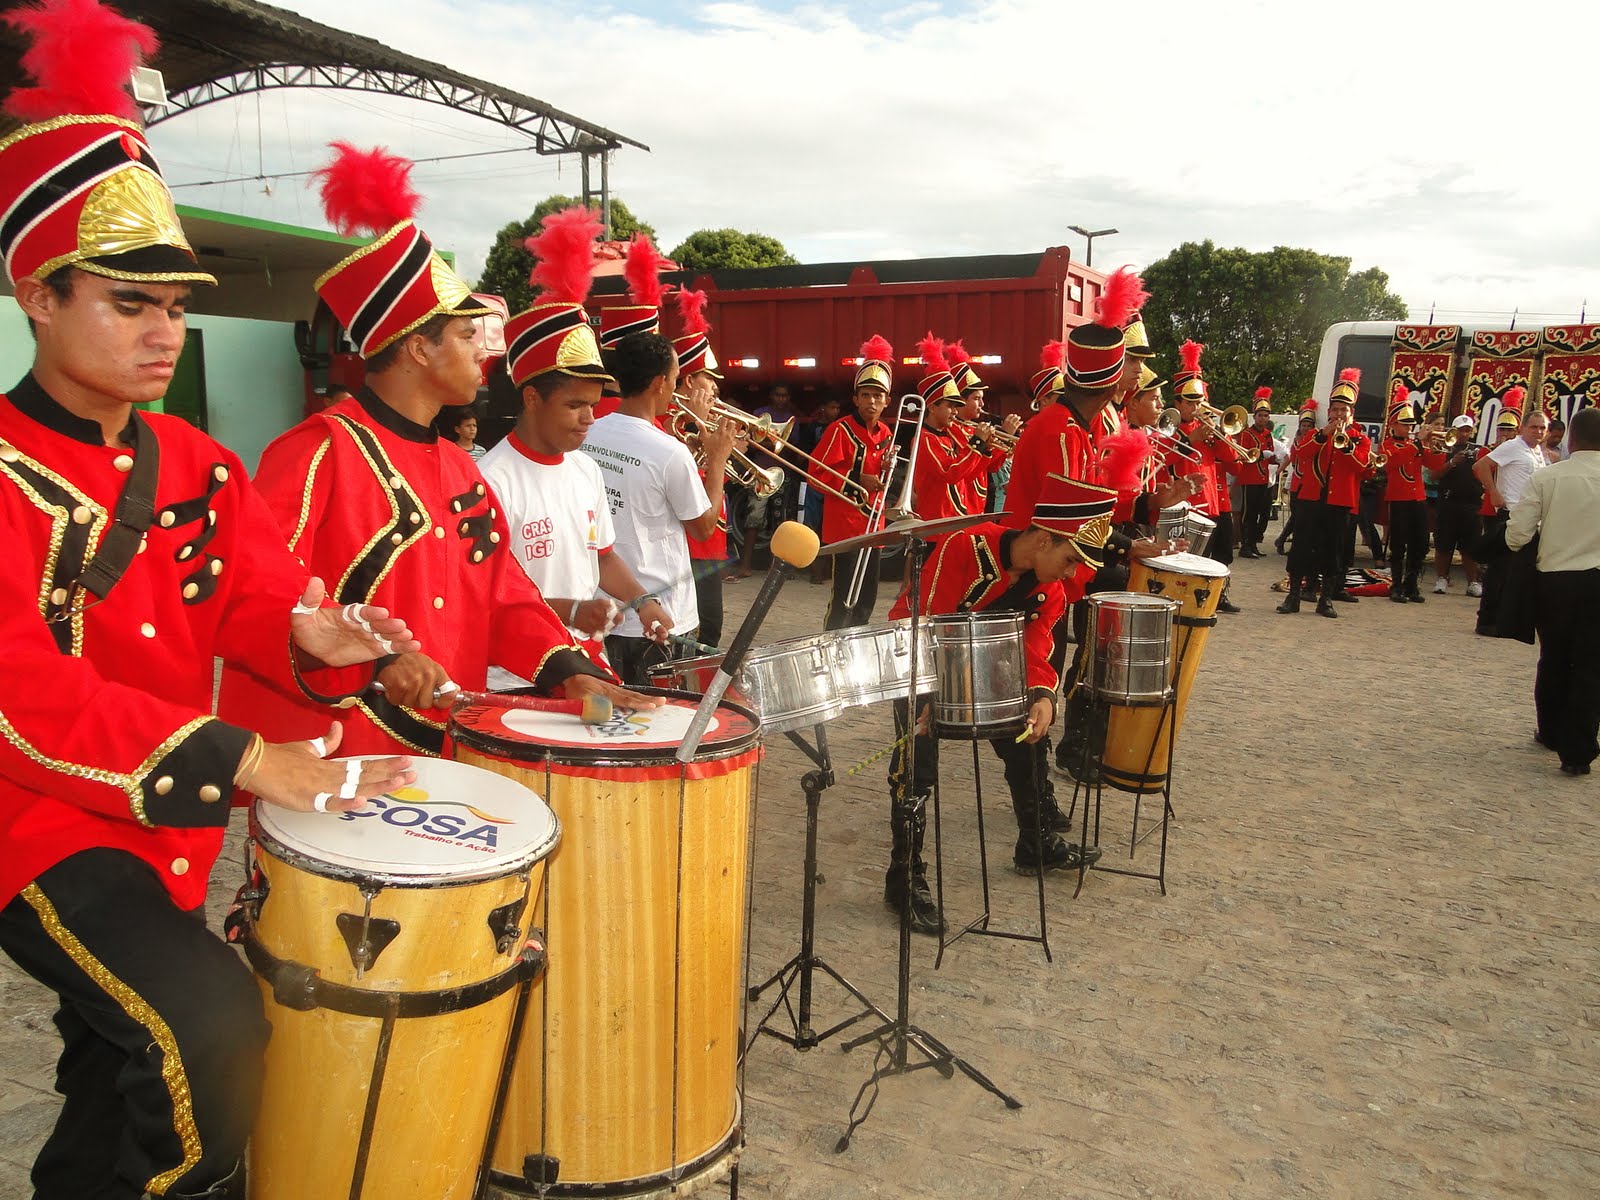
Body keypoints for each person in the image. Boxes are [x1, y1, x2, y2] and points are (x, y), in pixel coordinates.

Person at [0, 14, 417, 1194]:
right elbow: (20, 696)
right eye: (128, 302)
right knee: (210, 1031)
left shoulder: (199, 460)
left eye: (175, 306)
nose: (162, 330)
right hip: (35, 827)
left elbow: (249, 604)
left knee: (113, 1063)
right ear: (37, 292)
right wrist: (248, 761)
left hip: (167, 820)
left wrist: (313, 637)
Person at [219, 152, 645, 756]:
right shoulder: (319, 451)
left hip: (440, 752)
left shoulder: (457, 464)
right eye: (468, 335)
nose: (483, 352)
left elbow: (503, 595)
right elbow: (257, 592)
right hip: (336, 758)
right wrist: (375, 659)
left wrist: (565, 671)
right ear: (419, 349)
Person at [883, 474, 1117, 933]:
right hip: (920, 666)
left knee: (1029, 739)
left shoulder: (1050, 585)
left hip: (991, 672)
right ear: (1044, 539)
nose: (1072, 575)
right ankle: (903, 878)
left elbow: (1037, 642)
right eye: (1069, 561)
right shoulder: (963, 548)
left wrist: (1044, 694)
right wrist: (928, 696)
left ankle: (1036, 843)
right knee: (916, 769)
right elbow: (922, 624)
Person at [480, 215, 673, 688]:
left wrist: (643, 603)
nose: (590, 417)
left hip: (587, 662)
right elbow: (487, 601)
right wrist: (572, 610)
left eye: (592, 404)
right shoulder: (490, 480)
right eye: (574, 405)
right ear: (531, 398)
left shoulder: (585, 468)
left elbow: (603, 558)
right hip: (516, 679)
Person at [585, 304, 734, 684]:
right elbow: (703, 528)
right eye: (674, 378)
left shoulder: (589, 434)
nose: (675, 387)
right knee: (661, 719)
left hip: (603, 606)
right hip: (661, 615)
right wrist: (716, 460)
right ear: (658, 384)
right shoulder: (669, 451)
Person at [1506, 406, 1600, 775]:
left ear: (1571, 439)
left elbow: (1518, 535)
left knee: (1555, 656)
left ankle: (1551, 731)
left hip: (1557, 580)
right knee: (1593, 666)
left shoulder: (1548, 477)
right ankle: (1578, 750)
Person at [1278, 369, 1371, 617]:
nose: (1339, 414)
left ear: (1352, 413)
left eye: (1344, 410)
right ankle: (1294, 595)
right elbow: (1301, 453)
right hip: (1311, 499)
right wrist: (1323, 434)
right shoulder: (1314, 434)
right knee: (1301, 548)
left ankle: (1326, 599)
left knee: (1333, 551)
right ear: (1329, 412)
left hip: (1339, 502)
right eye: (1335, 410)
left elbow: (1363, 468)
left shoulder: (1360, 440)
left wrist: (1347, 445)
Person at [817, 337, 896, 630]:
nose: (872, 402)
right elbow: (816, 474)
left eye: (878, 396)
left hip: (873, 527)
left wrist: (888, 472)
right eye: (866, 395)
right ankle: (832, 647)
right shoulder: (839, 430)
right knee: (843, 601)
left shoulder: (888, 432)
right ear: (856, 398)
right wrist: (856, 479)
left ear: (887, 400)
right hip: (845, 529)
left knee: (866, 601)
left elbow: (884, 481)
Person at [1165, 341, 1241, 612]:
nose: (1196, 406)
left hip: (1213, 501)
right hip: (1187, 502)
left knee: (1221, 553)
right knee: (1188, 558)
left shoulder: (1208, 425)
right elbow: (1164, 461)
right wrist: (1190, 438)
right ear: (1178, 403)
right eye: (1190, 402)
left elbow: (1234, 464)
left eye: (1199, 400)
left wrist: (1220, 435)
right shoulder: (1169, 427)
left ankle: (1217, 595)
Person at [1472, 396, 1547, 635]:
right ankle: (1487, 620)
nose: (1538, 431)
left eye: (1542, 427)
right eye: (1534, 426)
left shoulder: (1538, 452)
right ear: (1523, 428)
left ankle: (1507, 618)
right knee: (1499, 569)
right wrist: (1493, 491)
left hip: (1528, 516)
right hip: (1509, 513)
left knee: (1517, 571)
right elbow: (1480, 465)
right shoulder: (1513, 446)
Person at [910, 336, 1006, 521]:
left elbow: (976, 468)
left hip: (958, 516)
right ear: (931, 407)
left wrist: (988, 447)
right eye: (950, 406)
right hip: (937, 524)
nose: (955, 412)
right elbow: (952, 473)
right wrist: (978, 443)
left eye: (956, 406)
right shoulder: (925, 439)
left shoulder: (946, 437)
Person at [1426, 415, 1485, 595]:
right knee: (1444, 543)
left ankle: (1473, 582)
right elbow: (1433, 475)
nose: (1464, 433)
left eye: (1467, 430)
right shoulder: (1443, 448)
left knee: (1470, 545)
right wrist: (1452, 462)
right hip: (1448, 501)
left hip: (1472, 503)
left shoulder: (1478, 450)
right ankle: (1442, 578)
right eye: (1461, 430)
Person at [1379, 399, 1428, 601]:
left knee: (1421, 544)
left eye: (1411, 424)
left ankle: (1411, 583)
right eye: (1405, 424)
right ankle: (1396, 585)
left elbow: (1434, 464)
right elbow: (1392, 463)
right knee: (1398, 544)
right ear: (1393, 424)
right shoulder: (1387, 445)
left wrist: (1433, 447)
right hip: (1399, 499)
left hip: (1418, 498)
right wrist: (1417, 444)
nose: (1409, 428)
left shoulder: (1414, 444)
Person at [1236, 389, 1277, 557]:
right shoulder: (1246, 433)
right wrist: (1261, 455)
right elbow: (1242, 454)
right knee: (1248, 514)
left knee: (1260, 513)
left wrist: (1276, 458)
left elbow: (1271, 454)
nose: (1263, 418)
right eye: (1260, 415)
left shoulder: (1268, 434)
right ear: (1254, 416)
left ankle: (1253, 545)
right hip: (1249, 478)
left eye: (1266, 416)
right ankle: (1245, 546)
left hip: (1263, 479)